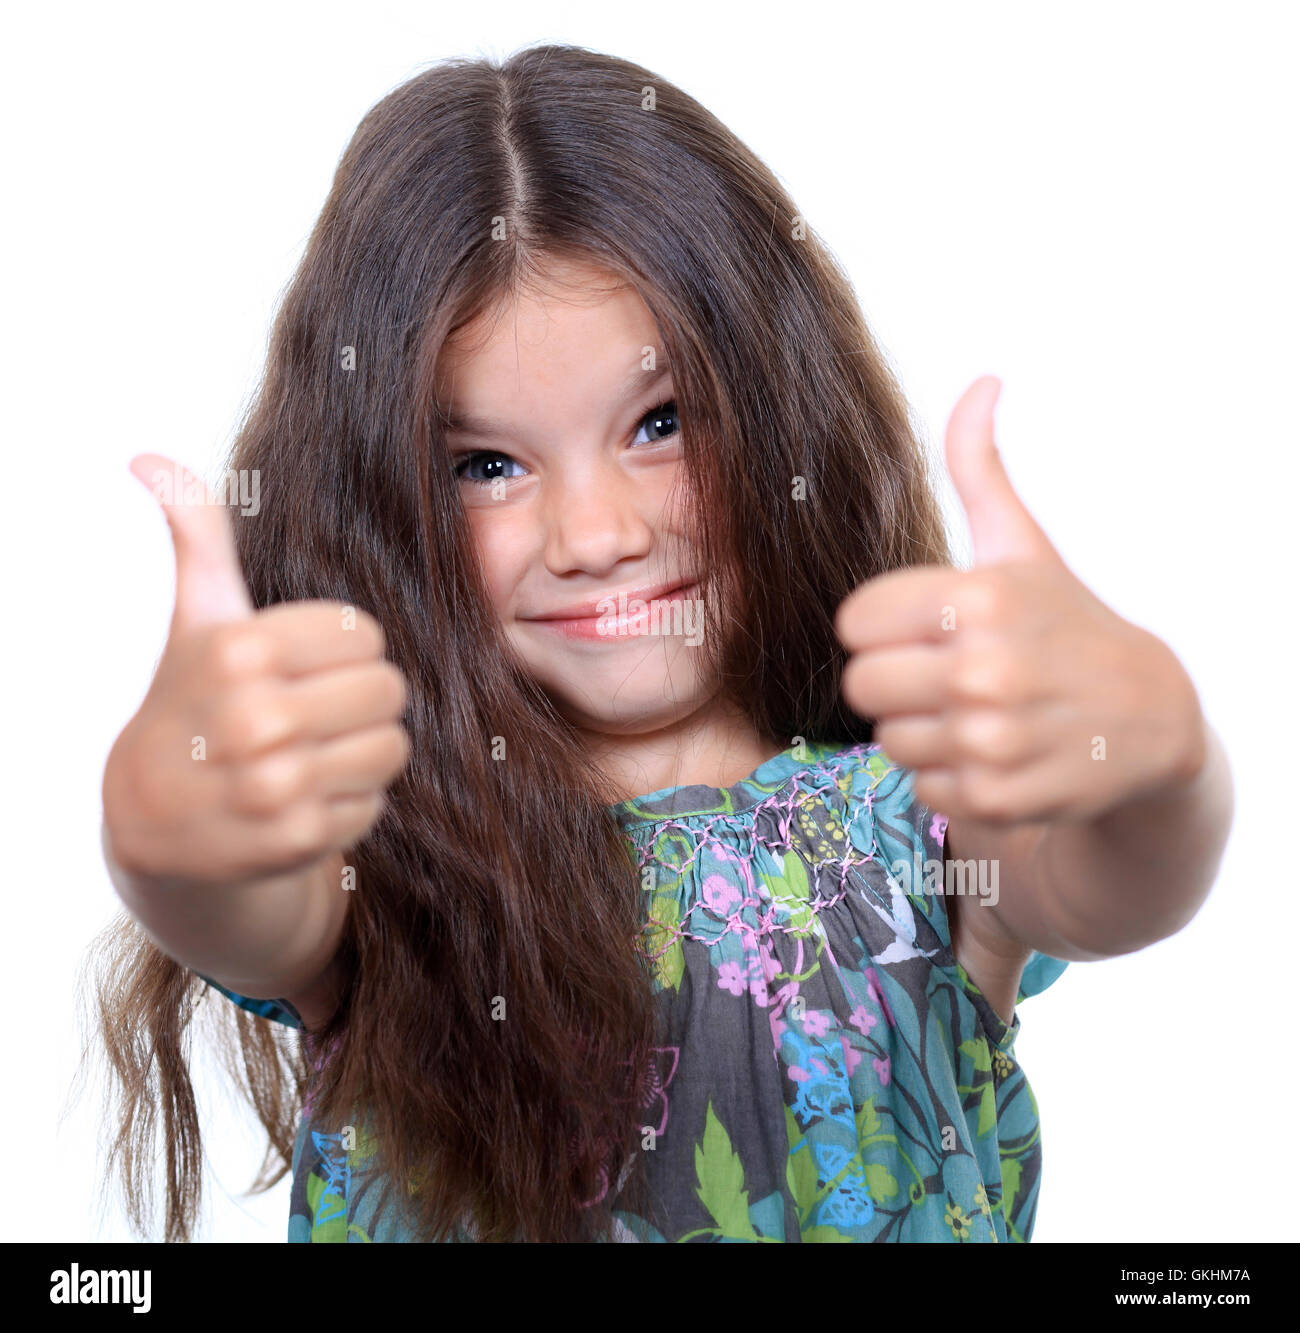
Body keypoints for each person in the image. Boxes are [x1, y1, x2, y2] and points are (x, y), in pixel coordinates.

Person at [87, 43, 1233, 1244]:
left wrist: (1157, 755)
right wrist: (169, 824)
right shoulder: (404, 868)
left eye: (658, 423)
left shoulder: (916, 827)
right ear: (384, 506)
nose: (596, 535)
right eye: (487, 466)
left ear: (776, 405)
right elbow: (244, 905)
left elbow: (1106, 880)